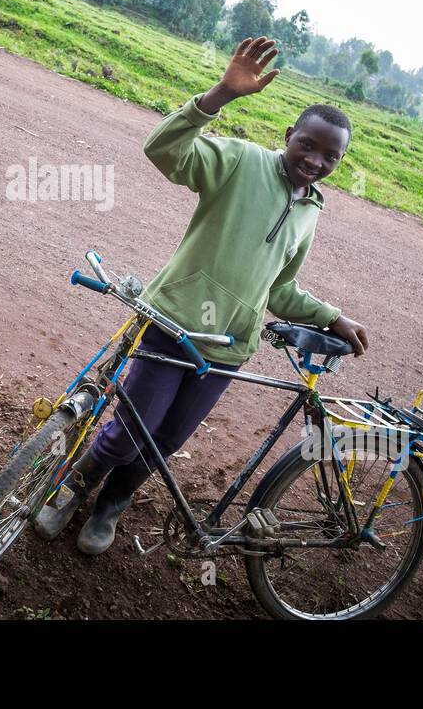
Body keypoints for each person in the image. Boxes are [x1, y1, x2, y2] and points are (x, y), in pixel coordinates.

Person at [34, 36, 369, 554]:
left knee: (166, 441)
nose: (315, 160)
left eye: (331, 155)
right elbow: (163, 151)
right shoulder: (240, 161)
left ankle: (111, 506)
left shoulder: (311, 211)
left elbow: (280, 287)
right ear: (289, 135)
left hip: (230, 347)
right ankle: (75, 486)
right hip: (174, 323)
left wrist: (333, 317)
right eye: (307, 144)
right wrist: (220, 95)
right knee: (130, 432)